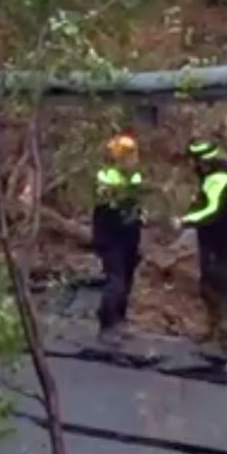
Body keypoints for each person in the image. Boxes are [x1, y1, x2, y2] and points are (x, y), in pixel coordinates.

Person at [178, 139, 227, 343]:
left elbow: (211, 209)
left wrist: (186, 220)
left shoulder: (219, 179)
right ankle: (214, 325)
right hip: (209, 236)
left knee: (219, 278)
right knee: (206, 282)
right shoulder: (209, 177)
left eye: (195, 162)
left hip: (223, 237)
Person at [92, 133, 146, 341]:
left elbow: (137, 203)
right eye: (130, 155)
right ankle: (107, 323)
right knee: (116, 281)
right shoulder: (107, 177)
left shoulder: (134, 176)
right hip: (110, 237)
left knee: (127, 279)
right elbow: (111, 202)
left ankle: (120, 319)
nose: (134, 159)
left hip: (130, 236)